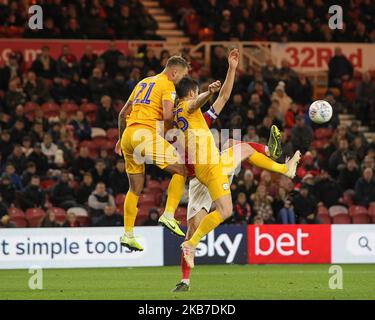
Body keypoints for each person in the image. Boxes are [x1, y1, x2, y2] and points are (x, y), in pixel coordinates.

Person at [175, 48, 300, 270]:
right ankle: (279, 164)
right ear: (192, 93)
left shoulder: (199, 120)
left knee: (238, 146)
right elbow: (196, 103)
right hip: (202, 173)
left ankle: (280, 164)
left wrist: (231, 69)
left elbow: (224, 96)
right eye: (196, 92)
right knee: (197, 226)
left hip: (207, 169)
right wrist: (208, 92)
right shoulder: (187, 109)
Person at [114, 55, 190, 251]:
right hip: (145, 134)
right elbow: (166, 115)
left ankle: (128, 234)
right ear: (174, 72)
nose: (182, 80)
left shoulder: (143, 82)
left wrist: (120, 140)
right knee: (182, 170)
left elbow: (123, 114)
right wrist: (172, 134)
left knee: (135, 189)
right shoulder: (167, 85)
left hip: (129, 135)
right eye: (182, 76)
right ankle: (169, 214)